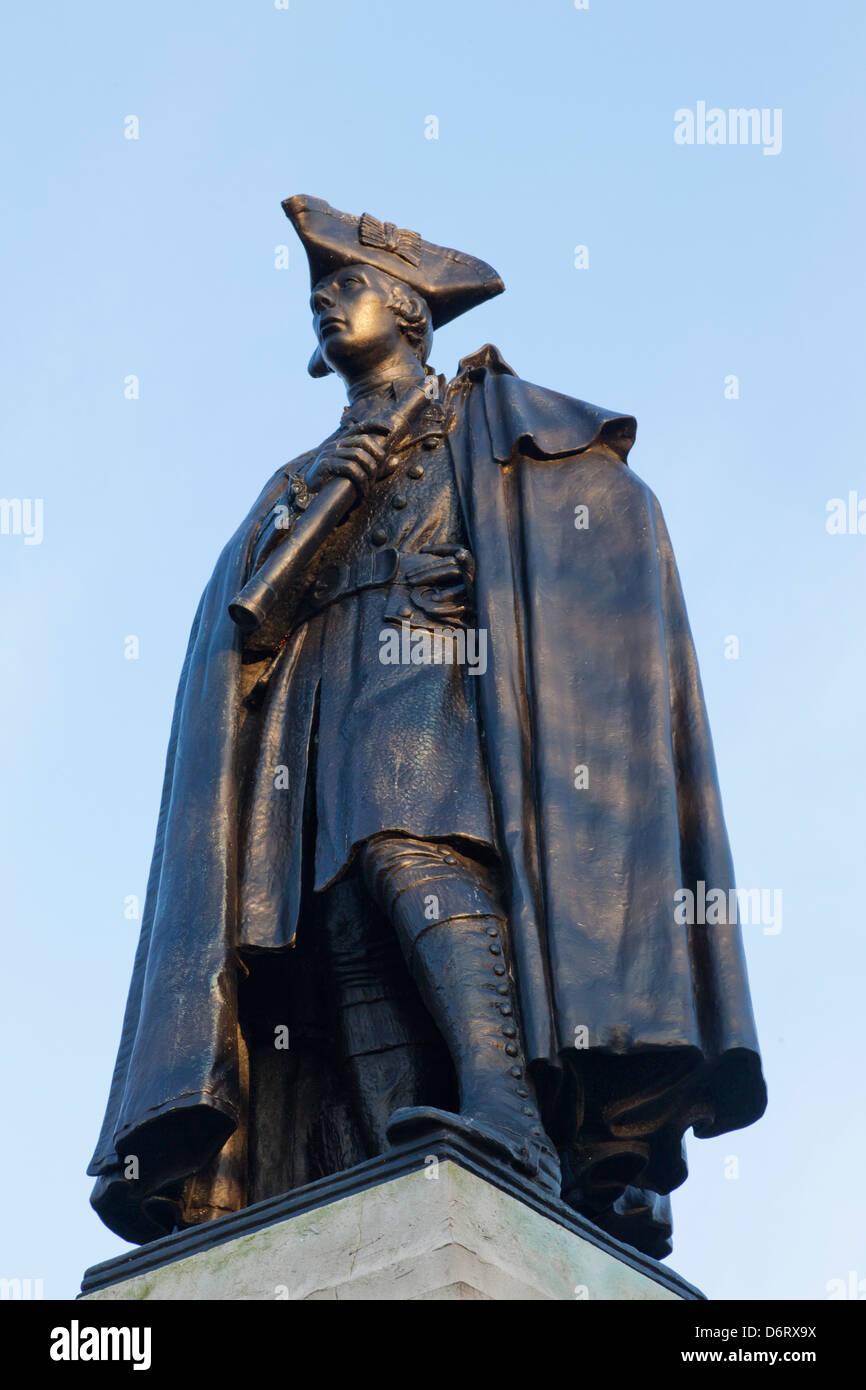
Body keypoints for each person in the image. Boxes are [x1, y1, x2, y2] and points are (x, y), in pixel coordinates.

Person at [88, 197, 766, 1258]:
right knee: (347, 917)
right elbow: (248, 616)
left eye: (345, 288)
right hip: (321, 700)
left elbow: (568, 531)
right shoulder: (305, 474)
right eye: (316, 296)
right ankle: (407, 1136)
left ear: (406, 311)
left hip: (431, 671)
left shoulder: (481, 425)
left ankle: (505, 1111)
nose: (324, 305)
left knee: (410, 853)